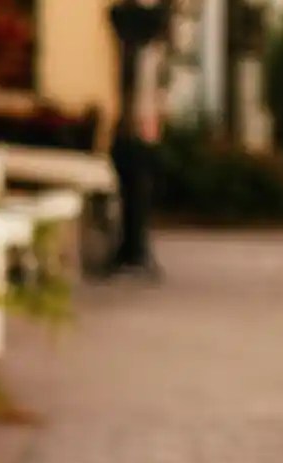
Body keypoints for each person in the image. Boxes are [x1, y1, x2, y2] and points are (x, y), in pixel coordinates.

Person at [107, 0, 172, 278]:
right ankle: (130, 246)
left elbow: (154, 85)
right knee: (131, 185)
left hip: (141, 122)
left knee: (140, 186)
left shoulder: (148, 41)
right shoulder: (134, 29)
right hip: (130, 122)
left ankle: (135, 247)